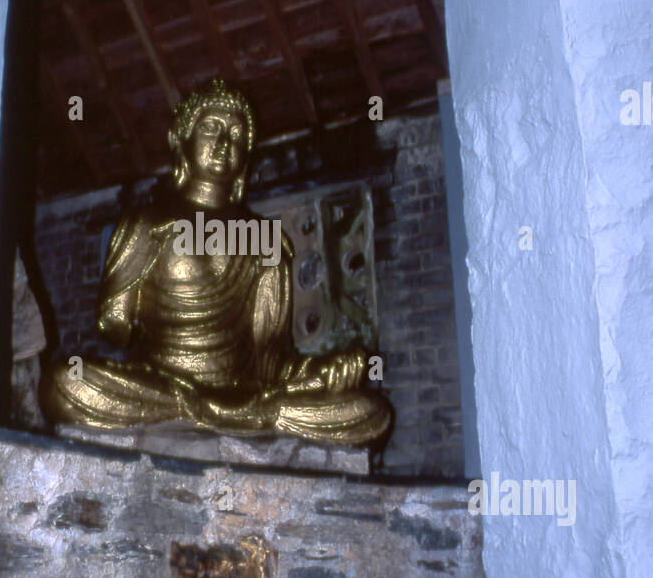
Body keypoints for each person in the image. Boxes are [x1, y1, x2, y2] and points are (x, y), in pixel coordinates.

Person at [41, 79, 392, 447]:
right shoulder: (146, 223)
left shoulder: (265, 238)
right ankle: (210, 415)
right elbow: (115, 326)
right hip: (166, 386)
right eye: (211, 128)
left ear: (247, 152)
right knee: (65, 382)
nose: (225, 143)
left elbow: (269, 358)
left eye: (237, 134)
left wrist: (323, 370)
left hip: (245, 395)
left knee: (370, 411)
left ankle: (214, 416)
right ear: (181, 140)